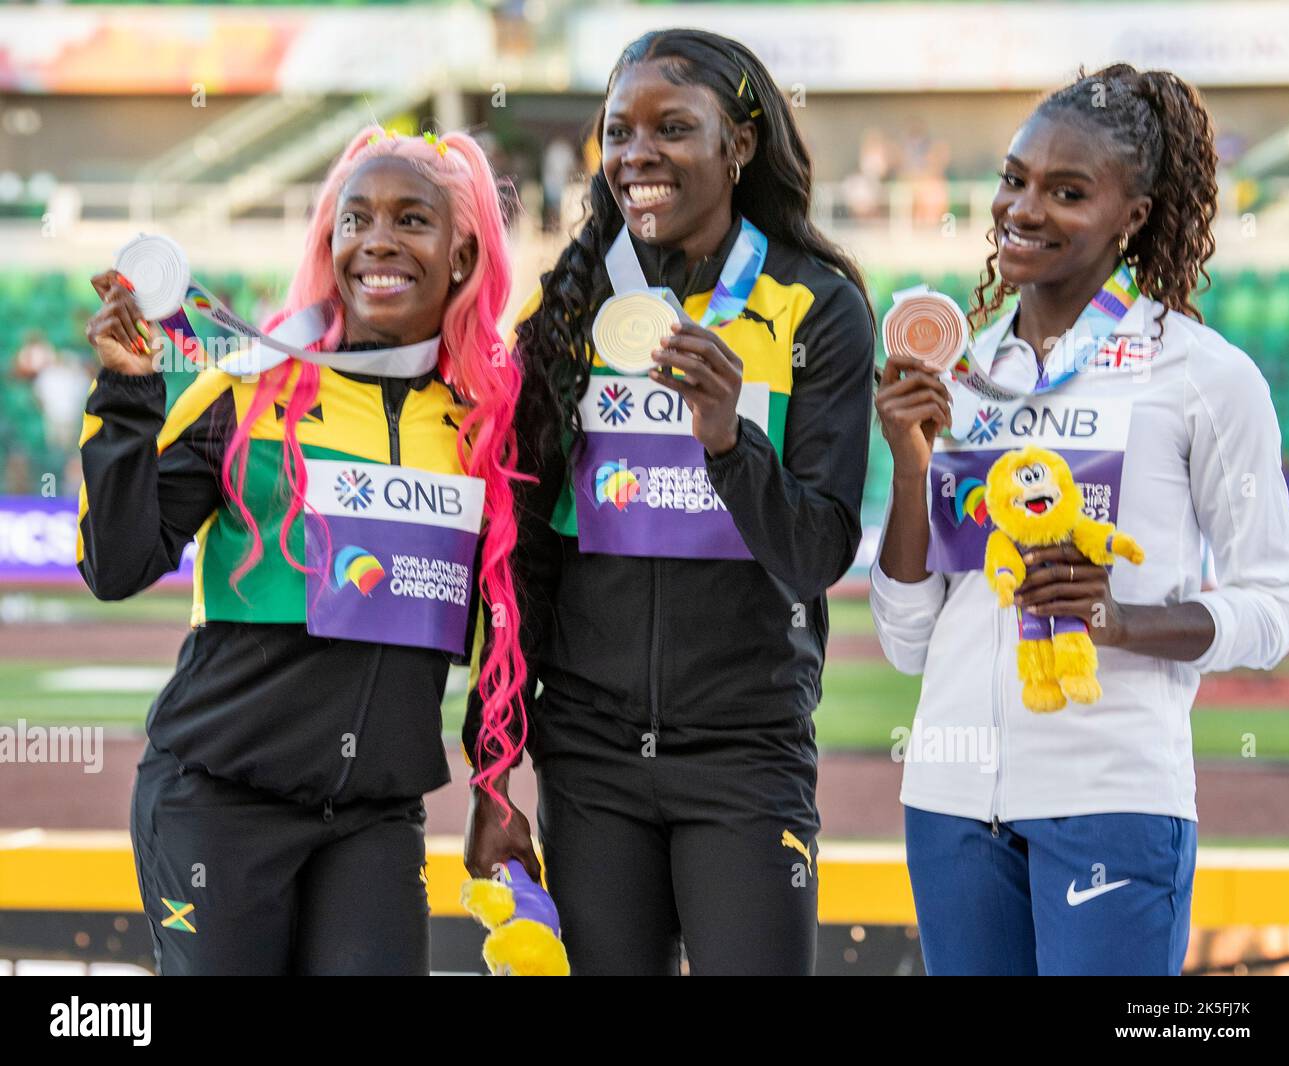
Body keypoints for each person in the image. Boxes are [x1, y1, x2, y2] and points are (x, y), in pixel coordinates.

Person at [870, 65, 1289, 976]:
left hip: (1112, 798)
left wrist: (1124, 621)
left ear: (1132, 217)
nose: (1023, 209)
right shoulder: (961, 373)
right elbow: (912, 639)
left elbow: (1276, 605)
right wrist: (913, 471)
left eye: (1067, 192)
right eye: (1014, 180)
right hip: (950, 802)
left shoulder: (1202, 376)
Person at [463, 28, 874, 976]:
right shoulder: (569, 311)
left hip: (745, 755)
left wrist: (729, 438)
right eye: (618, 132)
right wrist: (493, 769)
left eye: (671, 128)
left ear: (739, 146)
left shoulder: (816, 306)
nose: (635, 155)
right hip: (591, 760)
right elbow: (522, 561)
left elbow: (816, 551)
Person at [78, 127, 526, 975]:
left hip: (373, 819)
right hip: (216, 802)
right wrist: (128, 394)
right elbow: (116, 564)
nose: (378, 241)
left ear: (463, 253)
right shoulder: (248, 392)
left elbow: (505, 628)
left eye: (411, 219)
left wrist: (494, 787)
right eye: (354, 219)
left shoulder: (485, 425)